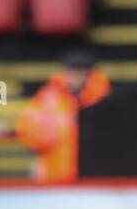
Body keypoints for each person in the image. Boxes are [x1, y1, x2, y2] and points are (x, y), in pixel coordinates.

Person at [14, 49, 111, 183]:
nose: (76, 77)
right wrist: (45, 135)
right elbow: (27, 128)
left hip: (95, 176)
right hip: (56, 173)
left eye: (81, 72)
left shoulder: (103, 98)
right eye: (72, 72)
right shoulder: (49, 98)